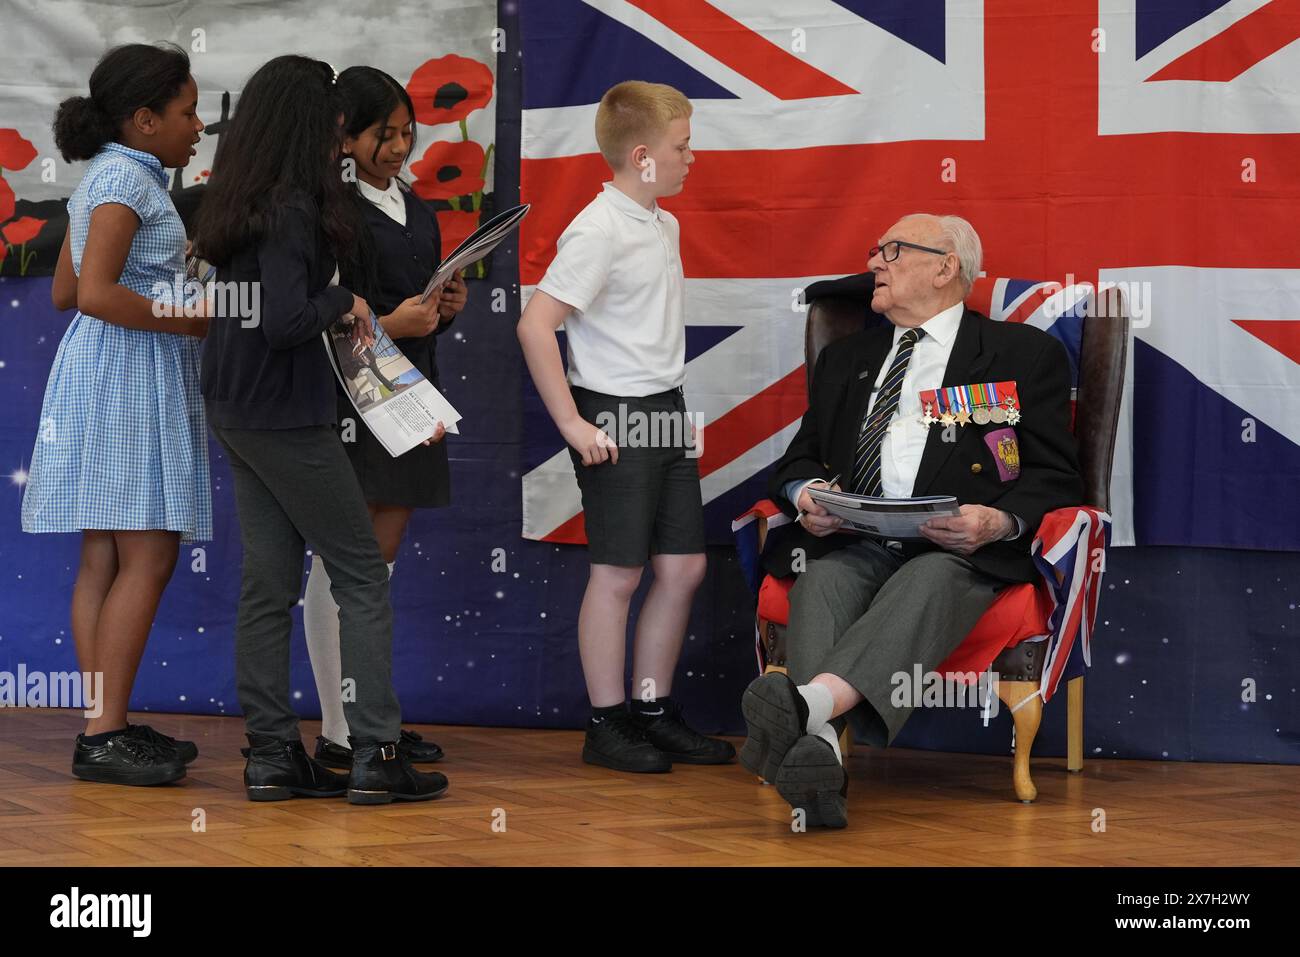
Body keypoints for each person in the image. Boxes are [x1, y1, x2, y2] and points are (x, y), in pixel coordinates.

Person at [741, 214, 1083, 827]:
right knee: (822, 580)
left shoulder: (1022, 354)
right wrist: (806, 494)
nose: (875, 263)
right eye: (877, 252)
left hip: (958, 551)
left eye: (893, 251)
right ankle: (819, 761)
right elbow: (798, 457)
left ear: (945, 266)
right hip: (854, 538)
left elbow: (1056, 475)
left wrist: (997, 522)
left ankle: (806, 714)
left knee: (930, 580)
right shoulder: (847, 359)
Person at [196, 55, 446, 804]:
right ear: (311, 123)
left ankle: (271, 754)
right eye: (336, 120)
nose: (344, 133)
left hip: (234, 408)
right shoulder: (293, 207)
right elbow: (285, 322)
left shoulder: (232, 201)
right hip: (286, 412)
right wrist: (343, 300)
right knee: (363, 574)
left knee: (267, 584)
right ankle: (374, 751)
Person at [517, 81, 734, 773]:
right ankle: (606, 722)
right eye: (681, 146)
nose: (690, 157)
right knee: (618, 573)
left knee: (683, 564)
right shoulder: (597, 229)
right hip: (615, 414)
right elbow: (536, 324)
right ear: (642, 156)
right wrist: (574, 423)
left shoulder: (661, 222)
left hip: (664, 409)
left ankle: (651, 707)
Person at [22, 42, 208, 786]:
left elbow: (68, 294)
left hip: (98, 374)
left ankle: (105, 724)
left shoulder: (106, 176)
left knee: (105, 552)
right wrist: (192, 317)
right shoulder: (128, 180)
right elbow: (95, 292)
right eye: (188, 113)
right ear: (143, 120)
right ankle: (104, 729)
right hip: (130, 376)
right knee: (150, 552)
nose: (198, 126)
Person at [304, 65, 467, 772]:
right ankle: (342, 730)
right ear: (346, 133)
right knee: (346, 562)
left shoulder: (417, 208)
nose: (400, 148)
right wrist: (390, 323)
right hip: (349, 402)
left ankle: (374, 714)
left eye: (408, 133)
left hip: (410, 398)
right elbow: (311, 314)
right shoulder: (323, 210)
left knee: (378, 570)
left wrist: (442, 312)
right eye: (384, 135)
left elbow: (413, 313)